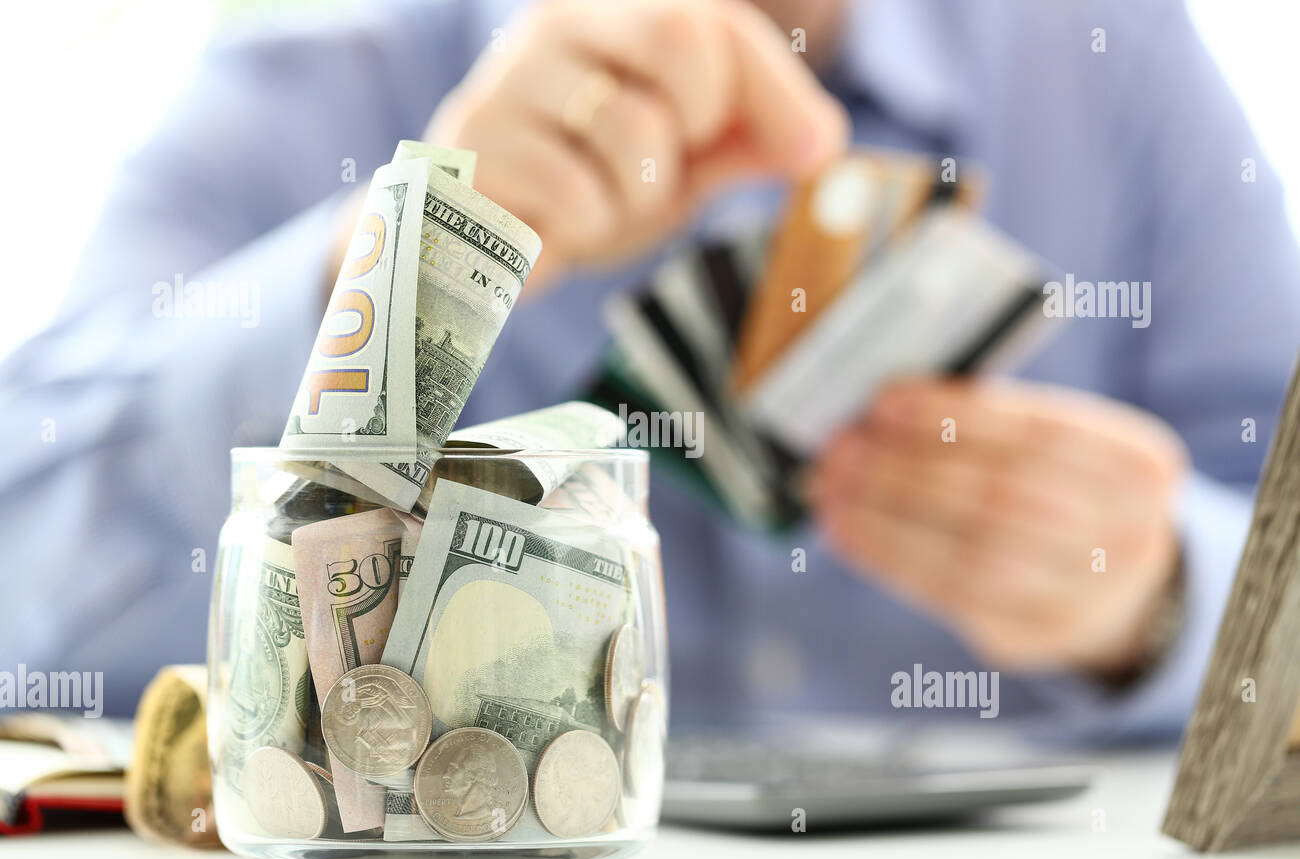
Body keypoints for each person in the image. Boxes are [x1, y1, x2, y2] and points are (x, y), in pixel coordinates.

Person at [6, 0, 1299, 741]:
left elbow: (1273, 567)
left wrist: (1164, 599)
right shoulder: (306, 79)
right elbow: (21, 585)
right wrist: (393, 285)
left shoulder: (1116, 67)